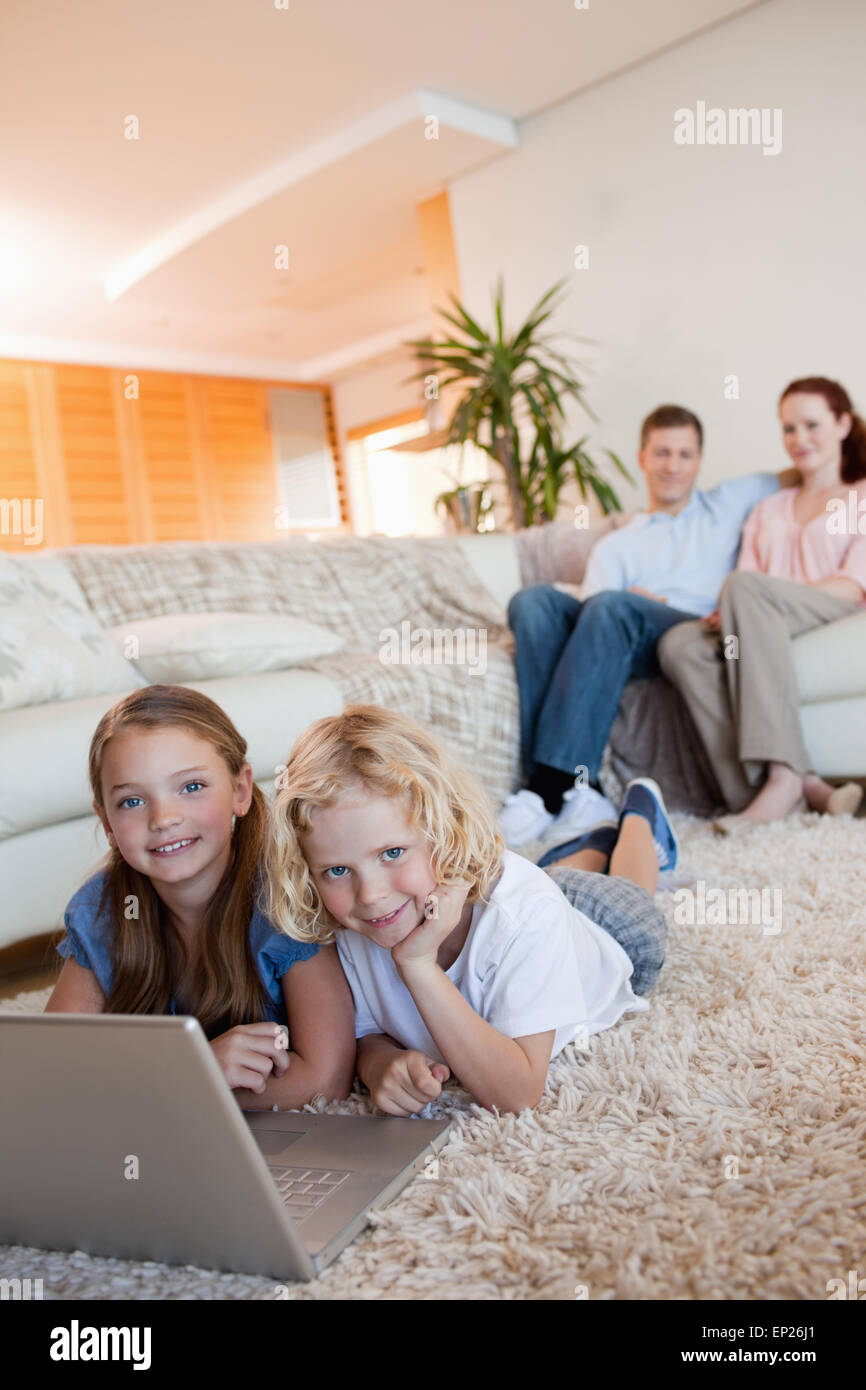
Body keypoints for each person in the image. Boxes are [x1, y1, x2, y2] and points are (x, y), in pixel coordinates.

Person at [262, 704, 673, 1116]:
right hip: (529, 892)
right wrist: (379, 1064)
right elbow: (368, 1031)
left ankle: (637, 818)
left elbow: (516, 1093)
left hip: (605, 926)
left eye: (392, 852)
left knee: (631, 892)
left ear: (444, 832)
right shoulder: (358, 922)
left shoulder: (526, 912)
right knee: (551, 877)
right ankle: (593, 843)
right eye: (336, 870)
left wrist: (419, 966)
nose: (369, 894)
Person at [501, 404, 798, 850]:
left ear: (699, 459)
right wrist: (627, 604)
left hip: (694, 628)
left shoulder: (730, 501)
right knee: (533, 602)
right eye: (662, 453)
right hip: (625, 635)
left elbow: (809, 469)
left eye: (684, 454)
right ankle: (578, 792)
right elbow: (581, 634)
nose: (673, 466)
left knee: (612, 606)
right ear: (642, 458)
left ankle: (546, 787)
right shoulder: (617, 545)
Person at [46, 685, 356, 1110]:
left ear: (241, 791)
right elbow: (49, 1070)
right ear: (107, 823)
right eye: (132, 800)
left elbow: (326, 1081)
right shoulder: (104, 909)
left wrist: (155, 1091)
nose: (164, 818)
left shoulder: (284, 895)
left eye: (191, 787)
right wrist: (196, 1072)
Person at [658, 377, 866, 831]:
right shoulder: (769, 507)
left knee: (747, 589)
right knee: (679, 643)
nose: (799, 439)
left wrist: (755, 600)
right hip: (760, 618)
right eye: (788, 428)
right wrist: (734, 611)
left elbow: (853, 586)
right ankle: (768, 791)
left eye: (811, 425)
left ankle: (784, 777)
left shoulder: (860, 495)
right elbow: (744, 581)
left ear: (843, 424)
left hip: (832, 611)